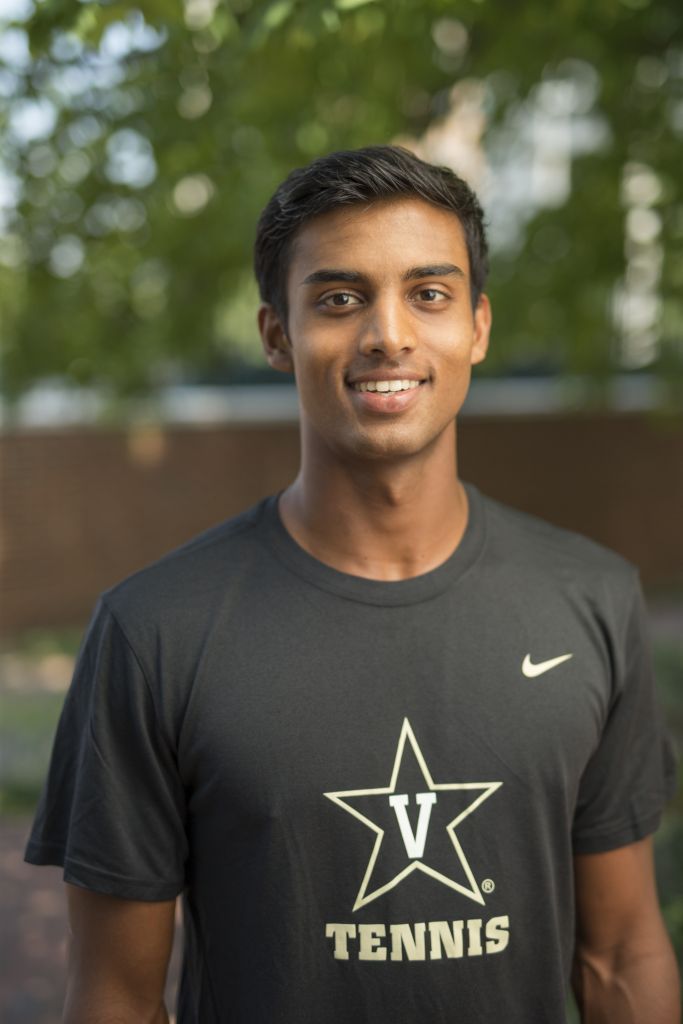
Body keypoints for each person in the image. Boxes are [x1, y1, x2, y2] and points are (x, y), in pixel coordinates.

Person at [26, 145, 679, 1023]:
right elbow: (115, 1000)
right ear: (276, 335)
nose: (388, 334)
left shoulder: (591, 599)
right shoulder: (154, 632)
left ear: (477, 327)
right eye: (339, 299)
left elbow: (620, 955)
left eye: (429, 294)